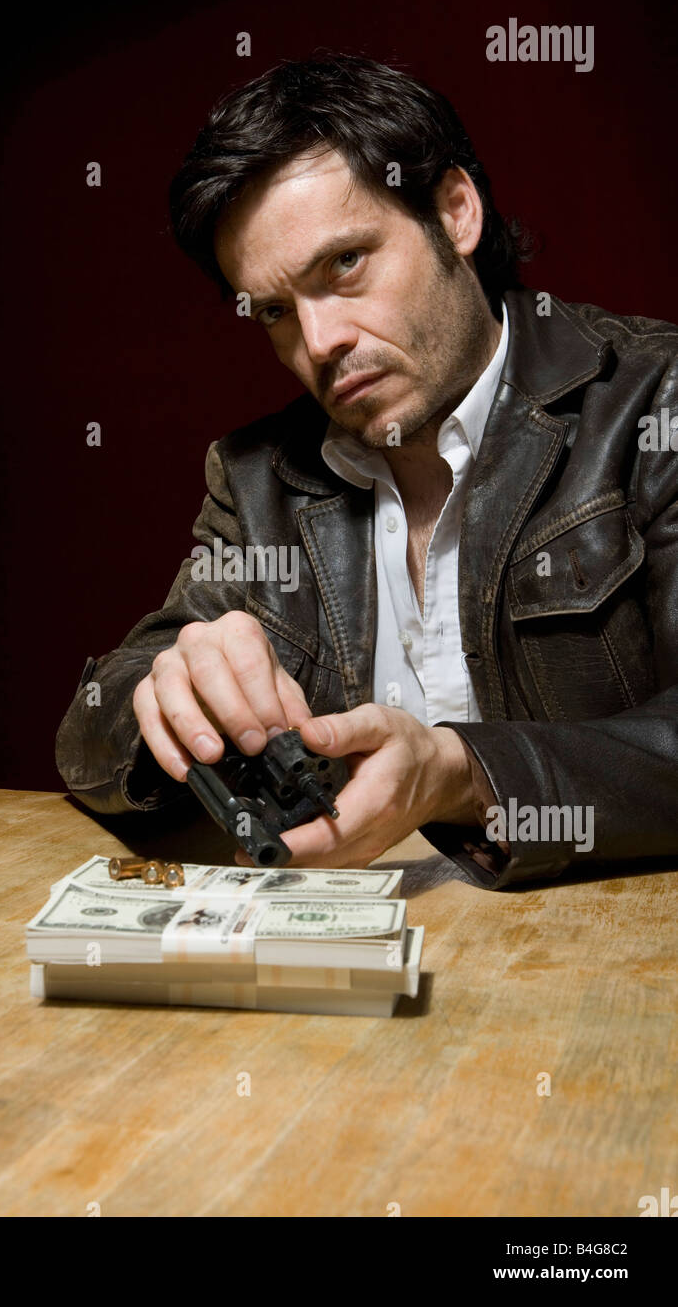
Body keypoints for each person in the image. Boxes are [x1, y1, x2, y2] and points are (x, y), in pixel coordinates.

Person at [55, 54, 677, 888]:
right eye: (275, 310)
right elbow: (86, 735)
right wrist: (163, 697)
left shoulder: (654, 404)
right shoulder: (257, 478)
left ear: (455, 212)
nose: (318, 343)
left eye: (344, 265)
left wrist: (462, 774)